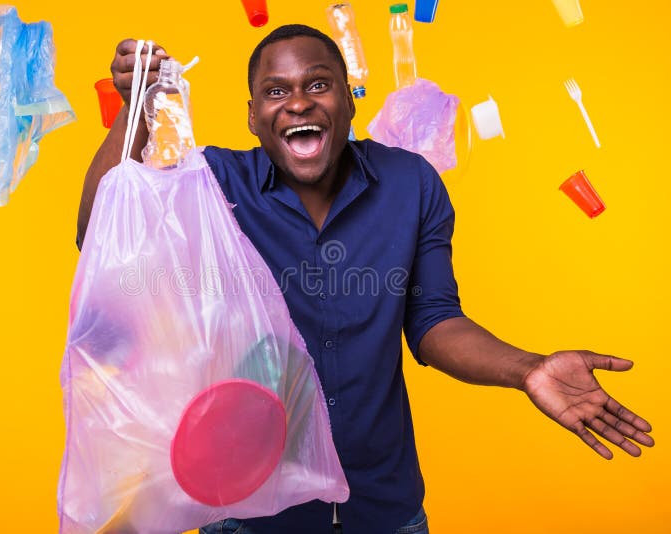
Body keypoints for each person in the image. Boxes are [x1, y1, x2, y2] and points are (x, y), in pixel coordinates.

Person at [76, 24, 654, 534]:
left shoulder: (411, 184)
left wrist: (528, 368)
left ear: (349, 100)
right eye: (276, 92)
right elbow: (101, 233)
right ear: (252, 116)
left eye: (317, 84)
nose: (298, 103)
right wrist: (136, 106)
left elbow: (434, 323)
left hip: (384, 505)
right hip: (251, 512)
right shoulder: (213, 183)